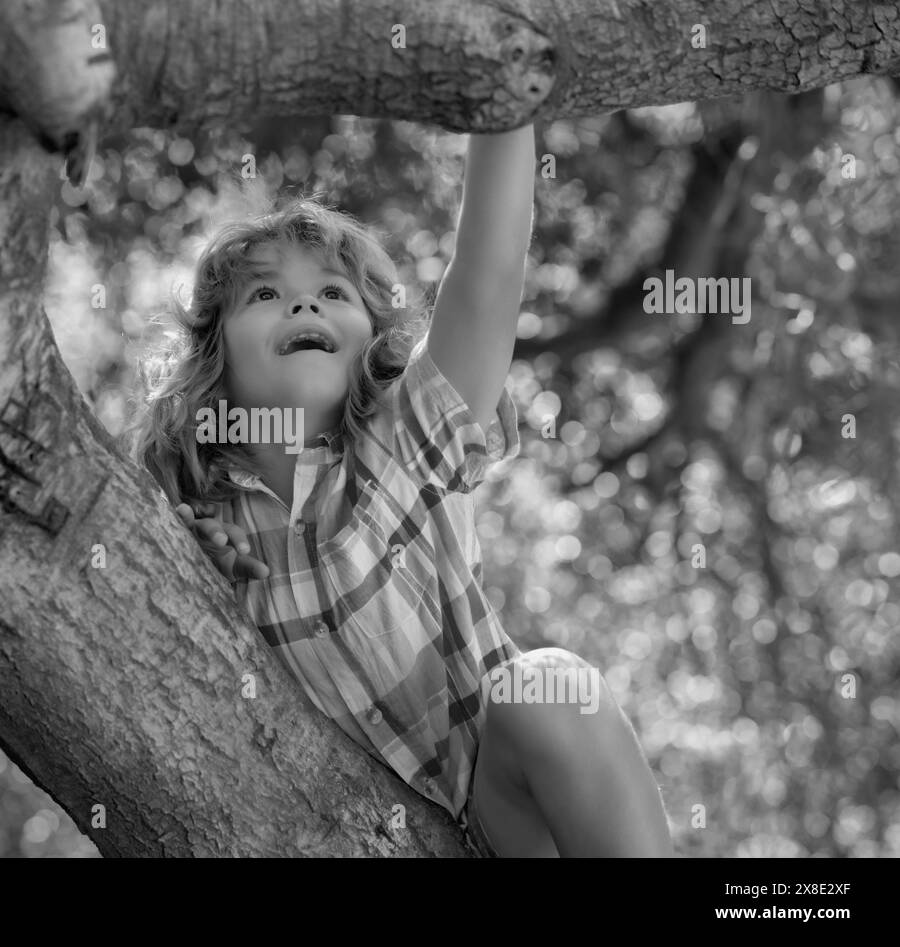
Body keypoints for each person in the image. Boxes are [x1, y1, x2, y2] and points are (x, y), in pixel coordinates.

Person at [125, 126, 672, 856]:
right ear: (212, 361)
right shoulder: (199, 528)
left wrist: (505, 112)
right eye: (265, 293)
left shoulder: (408, 434)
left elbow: (490, 268)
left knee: (548, 690)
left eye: (332, 292)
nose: (303, 306)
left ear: (374, 342)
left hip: (509, 815)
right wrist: (182, 568)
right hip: (361, 838)